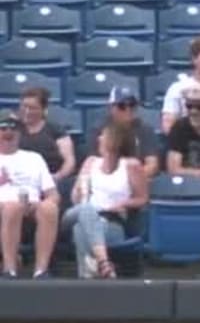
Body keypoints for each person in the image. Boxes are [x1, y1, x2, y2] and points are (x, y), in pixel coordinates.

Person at [62, 121, 148, 280]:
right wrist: (80, 188)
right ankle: (103, 262)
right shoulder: (90, 162)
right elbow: (75, 199)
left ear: (115, 140)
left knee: (80, 230)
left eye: (104, 135)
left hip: (111, 221)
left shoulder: (131, 165)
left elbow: (142, 198)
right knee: (86, 210)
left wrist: (123, 204)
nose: (99, 138)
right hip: (78, 213)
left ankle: (89, 275)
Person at [0, 111, 60, 279]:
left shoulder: (34, 158)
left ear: (20, 132)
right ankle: (9, 269)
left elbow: (53, 194)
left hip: (33, 207)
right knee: (12, 207)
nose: (8, 132)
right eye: (3, 127)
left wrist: (40, 204)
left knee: (49, 208)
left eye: (13, 127)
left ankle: (41, 270)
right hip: (4, 208)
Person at [89, 86, 162, 177]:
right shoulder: (100, 129)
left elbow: (152, 165)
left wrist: (129, 179)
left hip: (138, 180)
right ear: (111, 107)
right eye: (122, 106)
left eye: (132, 105)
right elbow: (94, 163)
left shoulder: (145, 129)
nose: (128, 110)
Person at [16, 86, 75, 188]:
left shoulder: (55, 130)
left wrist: (57, 177)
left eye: (32, 108)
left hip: (50, 179)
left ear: (43, 109)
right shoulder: (12, 129)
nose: (27, 111)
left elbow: (69, 161)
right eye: (24, 106)